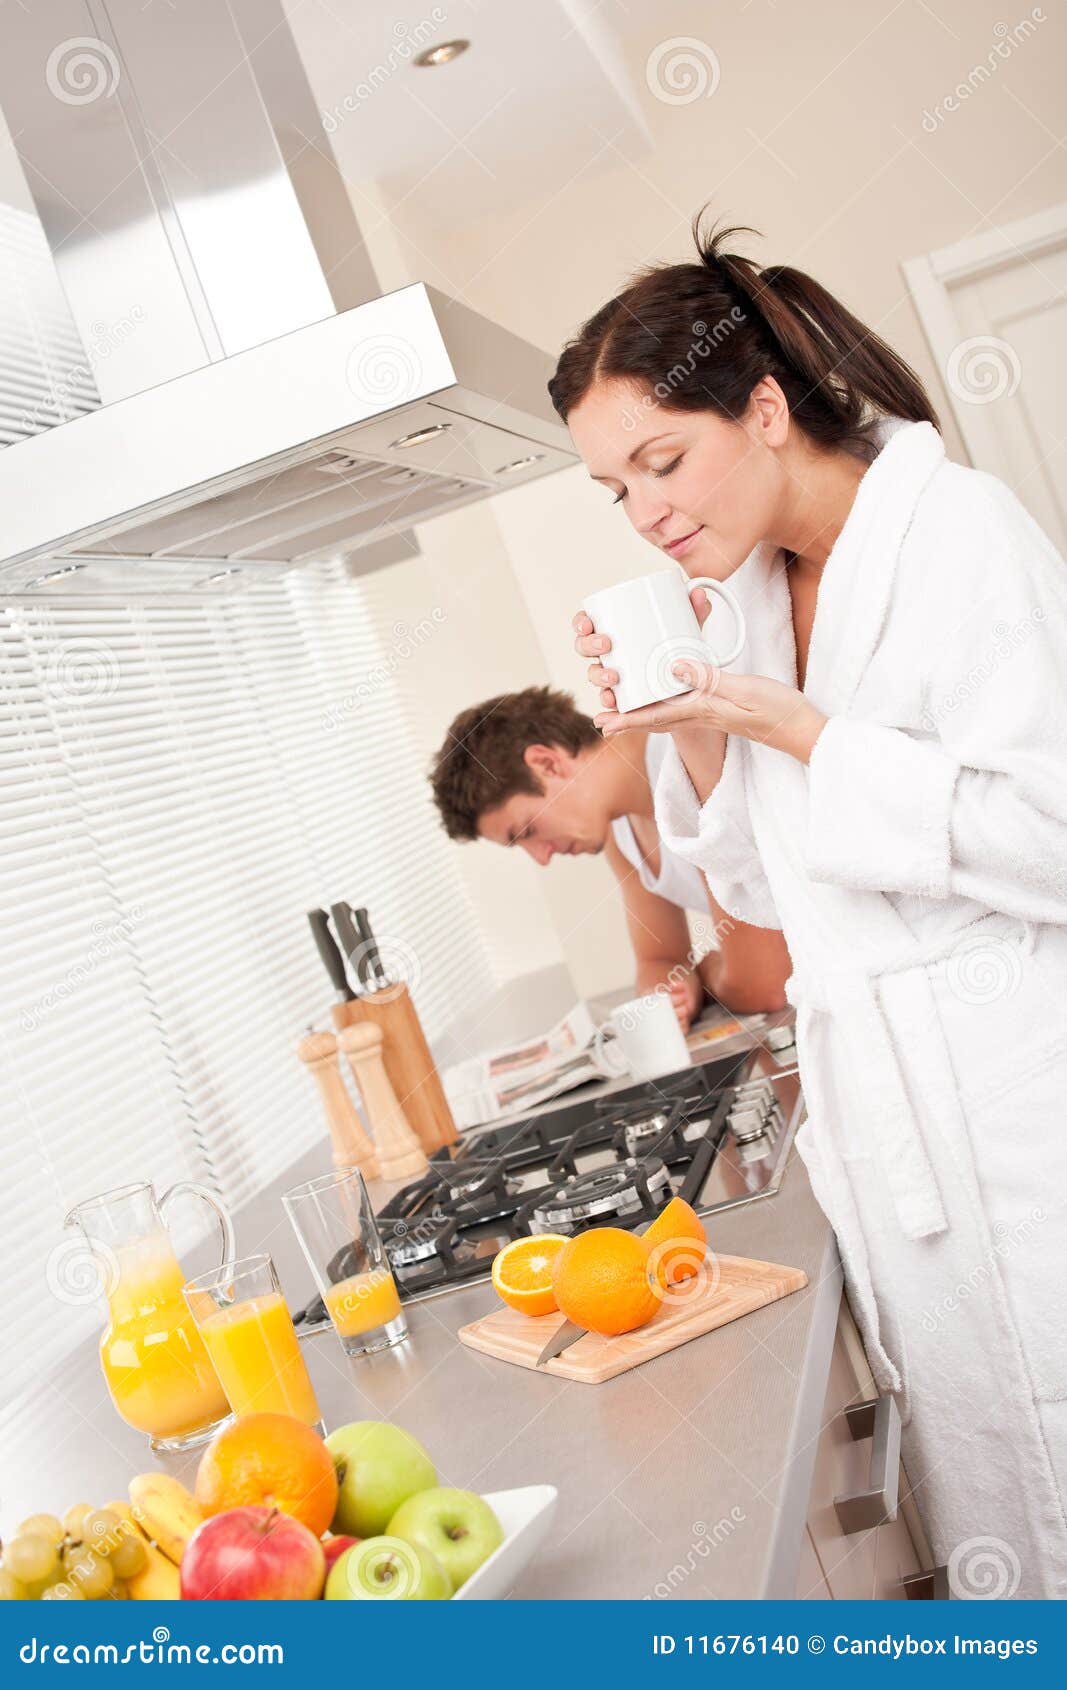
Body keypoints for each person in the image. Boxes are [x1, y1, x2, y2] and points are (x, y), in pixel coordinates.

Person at [557, 217, 1067, 1596]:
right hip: (897, 1129)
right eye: (616, 488)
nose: (649, 511)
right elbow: (761, 888)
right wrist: (696, 726)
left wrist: (801, 732)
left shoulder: (956, 533)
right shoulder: (745, 605)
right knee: (998, 1504)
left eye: (662, 460)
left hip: (1016, 1101)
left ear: (765, 406)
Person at [430, 686, 790, 1026]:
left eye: (527, 832)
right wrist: (670, 996)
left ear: (547, 764)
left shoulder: (687, 756)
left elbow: (764, 988)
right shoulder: (621, 833)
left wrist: (707, 972)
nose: (542, 858)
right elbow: (658, 959)